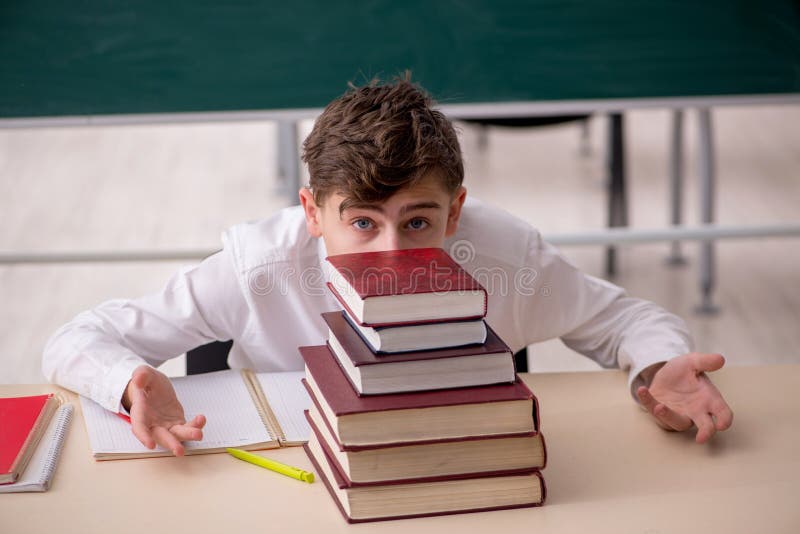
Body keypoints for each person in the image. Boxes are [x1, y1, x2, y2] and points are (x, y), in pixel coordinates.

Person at [42, 74, 733, 456]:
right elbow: (76, 340)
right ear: (313, 214)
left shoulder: (505, 257)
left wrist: (654, 364)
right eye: (362, 223)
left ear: (456, 210)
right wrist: (128, 382)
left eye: (420, 222)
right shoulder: (261, 266)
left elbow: (625, 319)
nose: (393, 254)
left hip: (452, 475)